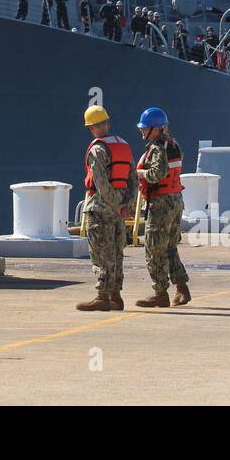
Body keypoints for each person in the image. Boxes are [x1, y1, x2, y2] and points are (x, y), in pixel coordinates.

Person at [76, 106, 133, 312]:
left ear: (90, 128)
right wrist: (126, 205)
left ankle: (102, 296)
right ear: (107, 123)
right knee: (116, 252)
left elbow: (100, 183)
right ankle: (116, 296)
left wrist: (116, 205)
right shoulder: (124, 146)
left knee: (101, 252)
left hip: (100, 209)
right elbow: (133, 179)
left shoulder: (97, 150)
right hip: (119, 210)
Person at [133, 107, 190, 308]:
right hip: (175, 200)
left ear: (156, 129)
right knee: (169, 247)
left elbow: (156, 174)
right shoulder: (173, 145)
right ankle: (182, 289)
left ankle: (160, 293)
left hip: (161, 203)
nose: (142, 131)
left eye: (145, 128)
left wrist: (139, 174)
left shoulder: (157, 148)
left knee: (153, 248)